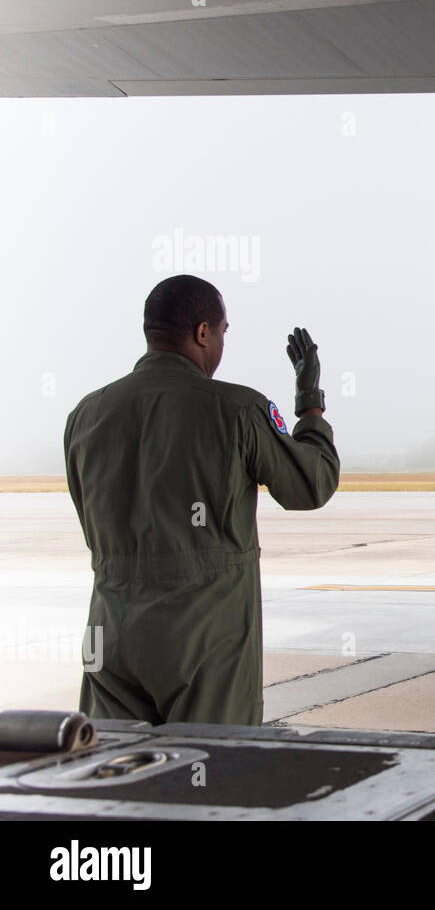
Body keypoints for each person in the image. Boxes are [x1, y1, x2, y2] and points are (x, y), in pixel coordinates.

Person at [63, 274, 340, 726]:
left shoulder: (86, 415)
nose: (222, 344)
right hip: (202, 638)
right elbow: (312, 485)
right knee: (211, 776)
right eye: (223, 331)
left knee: (113, 778)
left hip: (108, 634)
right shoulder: (236, 409)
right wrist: (310, 404)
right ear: (203, 332)